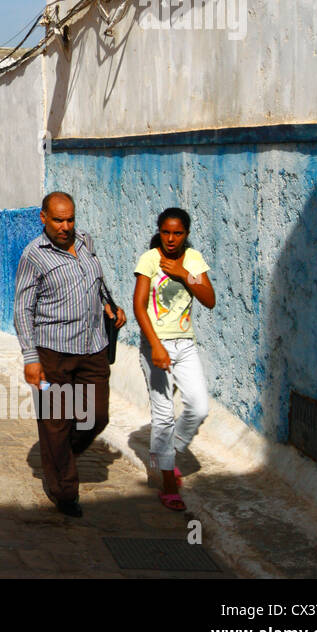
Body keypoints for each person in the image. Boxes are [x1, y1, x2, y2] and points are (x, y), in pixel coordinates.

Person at [14, 191, 126, 517]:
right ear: (43, 218)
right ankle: (64, 491)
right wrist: (30, 358)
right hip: (53, 352)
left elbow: (97, 281)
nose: (65, 227)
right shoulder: (34, 256)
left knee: (97, 416)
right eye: (58, 220)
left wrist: (109, 304)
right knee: (56, 422)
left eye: (70, 219)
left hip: (93, 347)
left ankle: (60, 455)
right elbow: (22, 308)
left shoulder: (86, 241)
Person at [132, 207, 215, 512]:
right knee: (164, 415)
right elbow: (139, 305)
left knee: (199, 406)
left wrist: (183, 274)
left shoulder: (193, 259)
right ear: (159, 232)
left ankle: (167, 454)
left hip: (185, 344)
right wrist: (155, 345)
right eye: (165, 232)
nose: (170, 238)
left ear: (186, 234)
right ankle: (168, 484)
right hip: (155, 344)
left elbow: (209, 299)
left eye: (177, 233)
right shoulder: (149, 259)